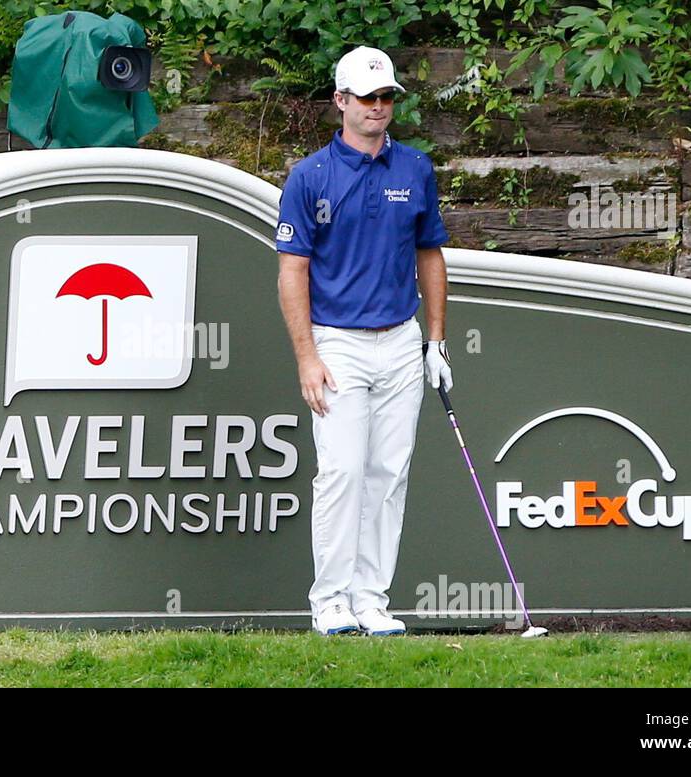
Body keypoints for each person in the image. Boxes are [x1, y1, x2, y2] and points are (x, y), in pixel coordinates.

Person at [276, 45, 453, 636]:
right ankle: (329, 601)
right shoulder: (309, 177)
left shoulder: (415, 168)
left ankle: (371, 599)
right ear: (341, 102)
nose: (379, 107)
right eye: (368, 98)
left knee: (388, 472)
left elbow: (430, 254)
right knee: (343, 472)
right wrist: (307, 356)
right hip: (337, 343)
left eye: (387, 98)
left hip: (401, 340)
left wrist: (436, 341)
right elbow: (292, 271)